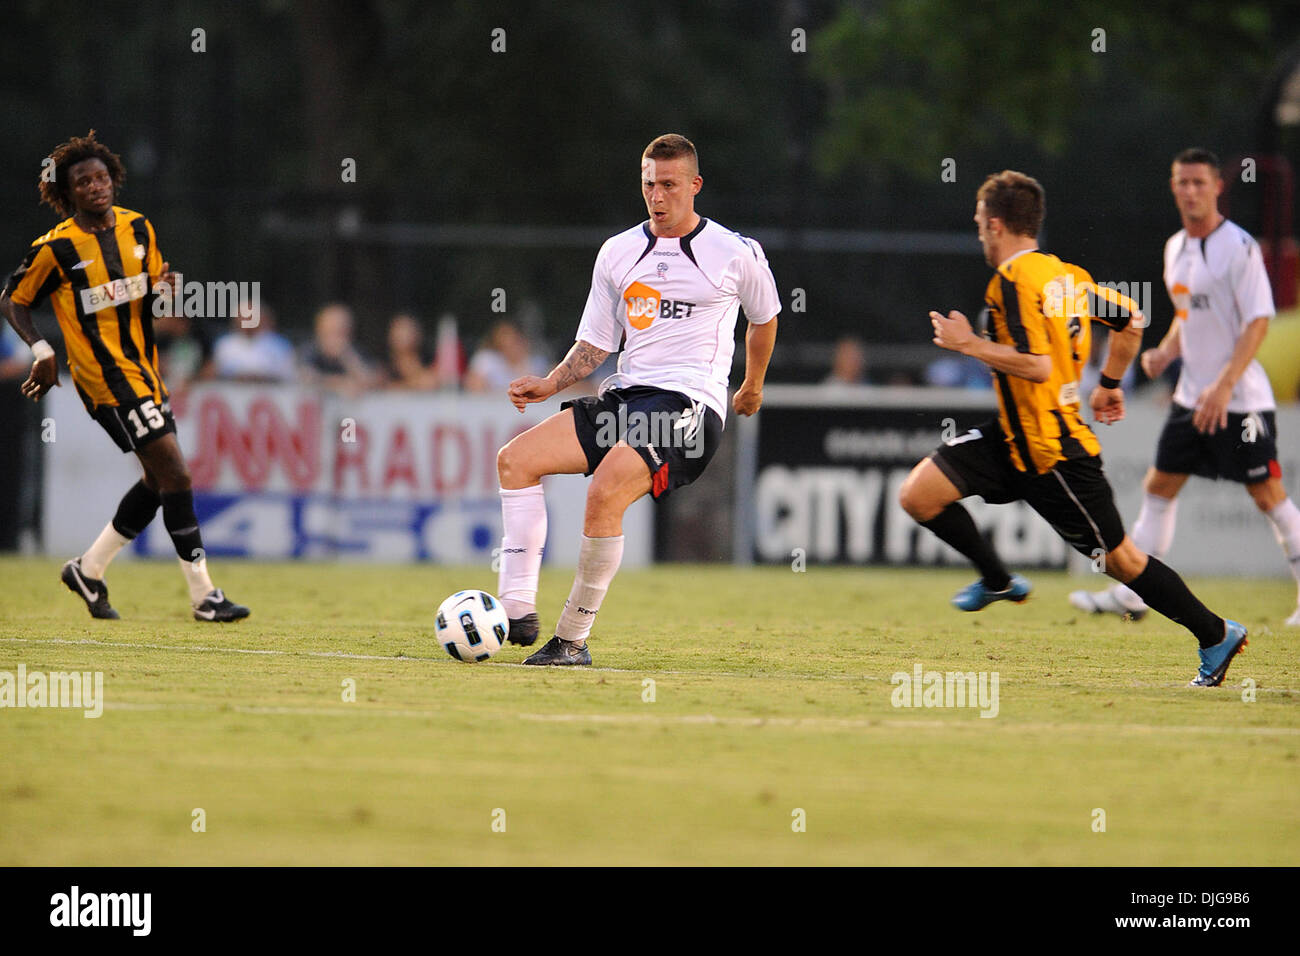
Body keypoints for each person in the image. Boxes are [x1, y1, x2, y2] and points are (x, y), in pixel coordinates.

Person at [897, 170, 1246, 687]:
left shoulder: (1013, 283)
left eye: (979, 225)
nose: (978, 235)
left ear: (996, 225)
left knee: (1122, 560)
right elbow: (1131, 320)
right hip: (1011, 437)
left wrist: (967, 344)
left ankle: (1216, 633)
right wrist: (1108, 383)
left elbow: (1037, 365)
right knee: (918, 495)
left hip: (1053, 452)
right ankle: (997, 579)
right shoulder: (1065, 276)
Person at [495, 133, 780, 665]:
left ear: (695, 186)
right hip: (626, 399)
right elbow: (597, 343)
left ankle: (572, 640)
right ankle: (515, 608)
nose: (658, 195)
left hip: (687, 407)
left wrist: (752, 385)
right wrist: (551, 383)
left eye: (670, 184)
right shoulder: (618, 251)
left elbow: (764, 318)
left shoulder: (733, 252)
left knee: (605, 490)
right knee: (515, 461)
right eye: (650, 184)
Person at [0, 131, 249, 622]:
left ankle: (88, 570)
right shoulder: (56, 249)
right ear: (67, 193)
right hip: (103, 380)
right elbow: (13, 299)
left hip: (145, 372)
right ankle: (204, 596)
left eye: (102, 177)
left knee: (159, 482)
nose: (96, 186)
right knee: (176, 474)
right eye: (83, 182)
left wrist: (164, 294)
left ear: (114, 179)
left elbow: (152, 304)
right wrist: (43, 348)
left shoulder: (139, 230)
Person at [1070, 148, 1300, 626]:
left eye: (1200, 182)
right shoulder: (1175, 247)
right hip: (1191, 398)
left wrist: (1224, 385)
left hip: (1239, 402)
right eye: (1182, 182)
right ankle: (1133, 595)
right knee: (1159, 487)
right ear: (1173, 188)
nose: (1191, 191)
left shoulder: (1239, 247)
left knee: (1267, 496)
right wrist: (1166, 351)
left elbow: (1259, 322)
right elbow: (1186, 316)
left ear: (1218, 187)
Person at [299, 303, 375, 396]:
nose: (337, 337)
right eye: (332, 329)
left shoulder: (356, 351)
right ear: (320, 329)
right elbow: (306, 376)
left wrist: (348, 357)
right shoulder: (309, 350)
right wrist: (340, 383)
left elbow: (370, 380)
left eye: (342, 329)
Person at [212, 301, 296, 384]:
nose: (247, 319)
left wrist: (261, 378)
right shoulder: (225, 344)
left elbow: (289, 375)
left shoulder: (279, 345)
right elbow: (215, 373)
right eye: (242, 316)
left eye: (250, 316)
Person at [464, 319, 548, 393]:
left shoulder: (536, 362)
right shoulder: (486, 359)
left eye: (514, 339)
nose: (509, 343)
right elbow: (473, 387)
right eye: (504, 338)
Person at [382, 312, 439, 390]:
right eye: (400, 329)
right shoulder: (385, 368)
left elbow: (431, 381)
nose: (404, 335)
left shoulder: (429, 361)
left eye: (408, 329)